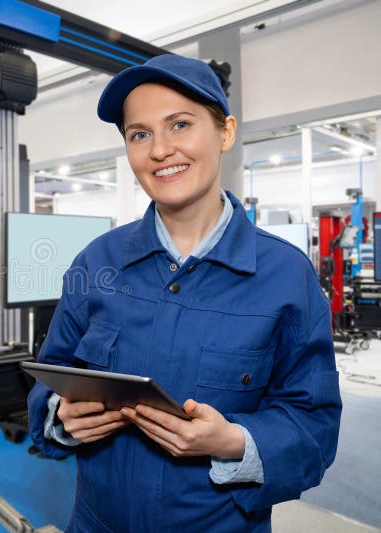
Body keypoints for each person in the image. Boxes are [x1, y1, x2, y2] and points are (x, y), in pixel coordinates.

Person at [26, 54, 341, 533]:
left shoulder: (287, 277)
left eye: (179, 124)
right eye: (140, 134)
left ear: (226, 132)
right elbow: (50, 382)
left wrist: (233, 441)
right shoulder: (95, 263)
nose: (159, 150)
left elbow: (315, 427)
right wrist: (60, 417)